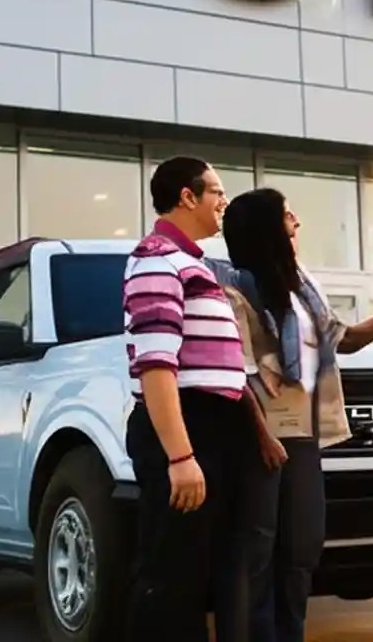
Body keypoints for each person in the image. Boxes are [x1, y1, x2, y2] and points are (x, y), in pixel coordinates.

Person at [208, 187, 373, 642]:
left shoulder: (300, 290)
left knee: (301, 551)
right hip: (257, 442)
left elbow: (344, 340)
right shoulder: (231, 292)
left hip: (303, 438)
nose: (297, 223)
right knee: (255, 554)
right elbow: (237, 372)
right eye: (288, 216)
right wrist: (263, 436)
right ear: (268, 229)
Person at [121, 156, 256, 642]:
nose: (224, 201)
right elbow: (156, 365)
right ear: (187, 196)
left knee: (201, 572)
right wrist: (181, 455)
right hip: (186, 426)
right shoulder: (157, 258)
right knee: (172, 575)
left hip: (215, 427)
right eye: (216, 191)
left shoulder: (192, 261)